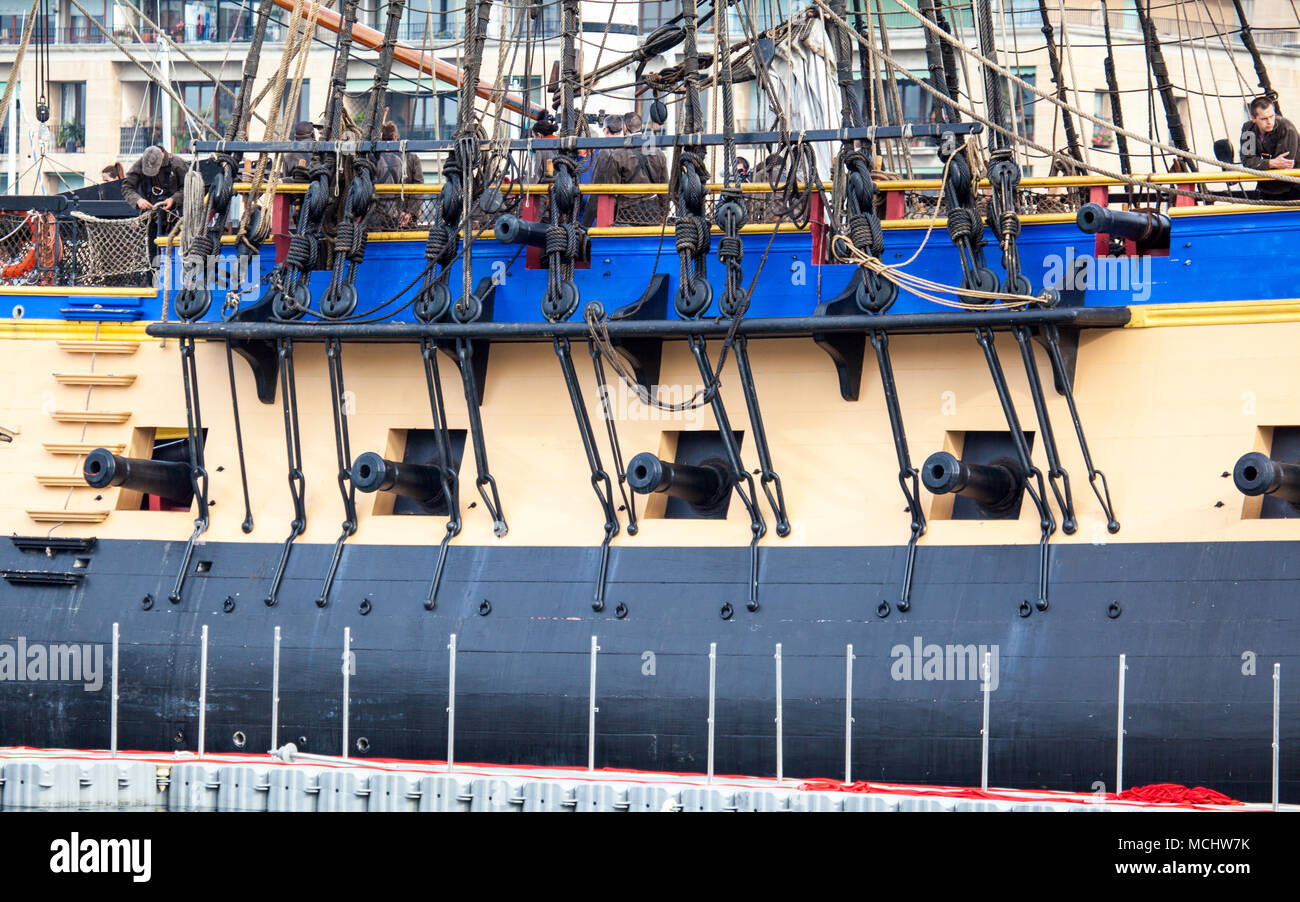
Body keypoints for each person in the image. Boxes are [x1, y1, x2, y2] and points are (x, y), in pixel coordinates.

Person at [581, 111, 667, 227]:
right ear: (640, 126)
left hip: (627, 213)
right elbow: (664, 188)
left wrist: (587, 224)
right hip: (652, 212)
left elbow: (611, 190)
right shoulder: (658, 153)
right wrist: (663, 214)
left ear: (625, 128)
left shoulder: (618, 154)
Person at [1240, 96, 1300, 201]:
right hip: (1267, 188)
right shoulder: (1248, 129)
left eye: (1272, 116)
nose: (1269, 122)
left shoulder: (1286, 128)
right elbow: (1247, 161)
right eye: (1264, 119)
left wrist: (1260, 163)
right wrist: (1271, 163)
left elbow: (1285, 164)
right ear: (1253, 118)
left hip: (1294, 187)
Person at [373, 121, 424, 229]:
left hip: (378, 219)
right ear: (398, 138)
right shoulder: (412, 158)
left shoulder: (373, 159)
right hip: (403, 219)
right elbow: (419, 188)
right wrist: (409, 213)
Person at [121, 145, 188, 215]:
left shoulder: (178, 164)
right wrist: (138, 200)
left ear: (162, 160)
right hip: (149, 213)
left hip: (176, 213)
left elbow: (189, 188)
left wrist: (174, 199)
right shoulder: (141, 163)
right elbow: (127, 186)